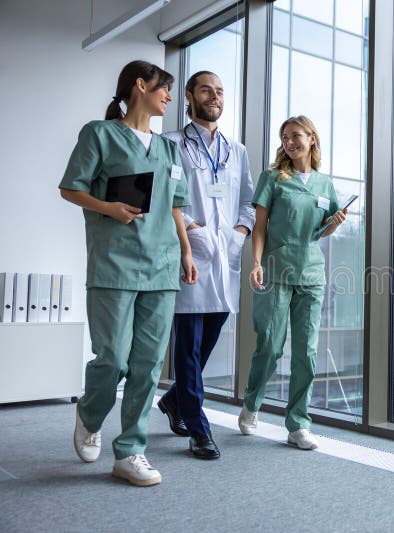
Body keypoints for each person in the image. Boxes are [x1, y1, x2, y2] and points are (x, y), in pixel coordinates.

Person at [59, 60, 197, 486]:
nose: (169, 97)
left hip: (162, 265)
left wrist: (187, 253)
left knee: (148, 363)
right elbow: (70, 187)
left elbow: (175, 206)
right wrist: (108, 207)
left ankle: (131, 451)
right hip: (114, 263)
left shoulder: (169, 149)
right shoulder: (99, 133)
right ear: (141, 85)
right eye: (164, 89)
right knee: (113, 358)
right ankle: (90, 412)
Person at [158, 71, 255, 460]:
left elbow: (247, 199)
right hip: (192, 253)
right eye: (205, 90)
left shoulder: (237, 150)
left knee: (209, 339)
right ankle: (200, 429)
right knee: (188, 346)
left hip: (226, 256)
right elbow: (167, 196)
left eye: (219, 91)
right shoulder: (171, 144)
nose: (214, 97)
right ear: (189, 96)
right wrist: (192, 231)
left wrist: (239, 234)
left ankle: (173, 400)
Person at [238, 115, 347, 450]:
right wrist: (255, 262)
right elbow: (259, 227)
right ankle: (252, 403)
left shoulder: (325, 184)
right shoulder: (272, 178)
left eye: (296, 135)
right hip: (274, 269)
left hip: (311, 272)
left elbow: (319, 230)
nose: (289, 142)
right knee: (270, 344)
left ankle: (298, 423)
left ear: (311, 138)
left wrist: (336, 223)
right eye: (285, 137)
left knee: (306, 351)